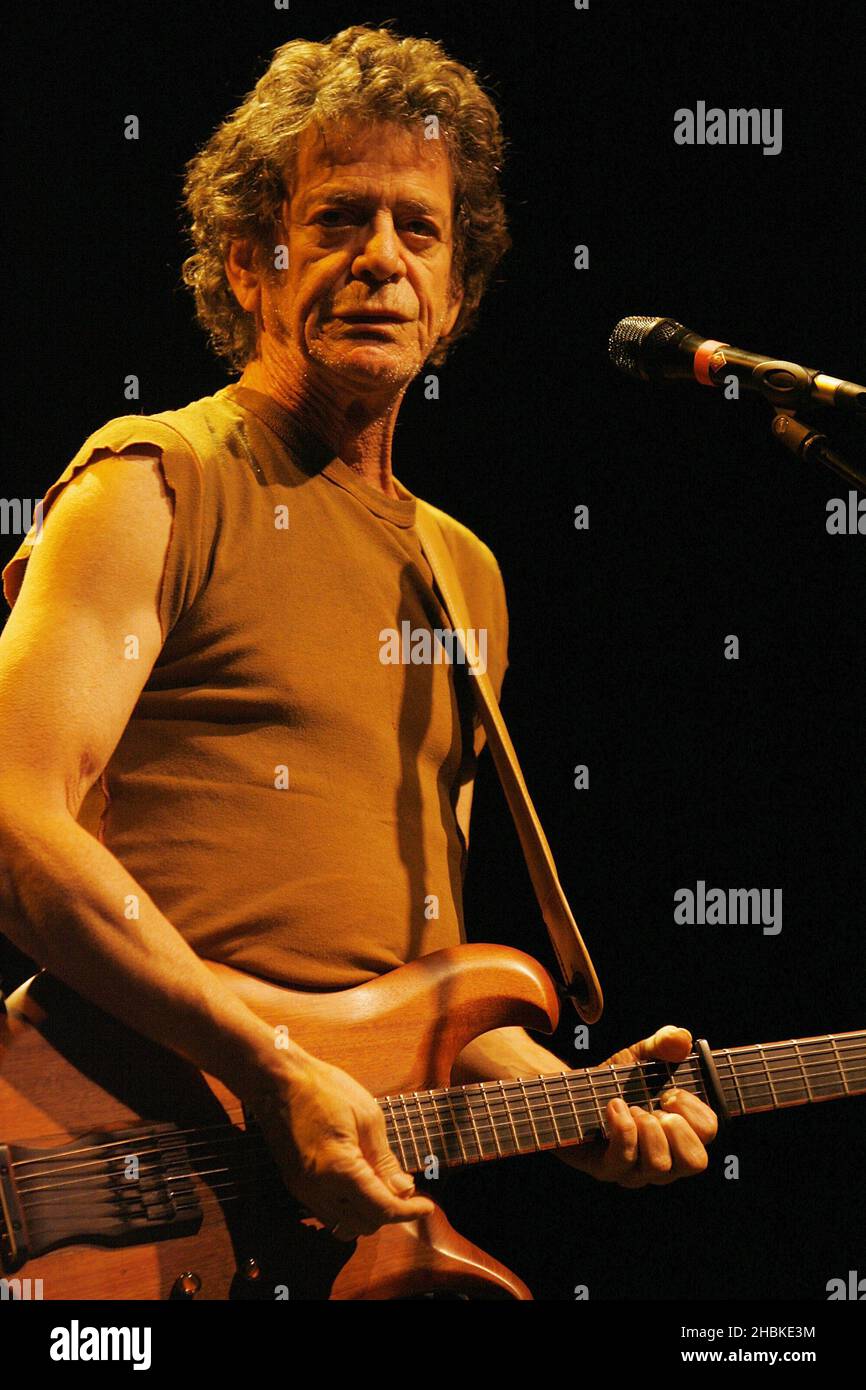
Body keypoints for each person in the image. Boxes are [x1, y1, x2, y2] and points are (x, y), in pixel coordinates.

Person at [0, 24, 716, 1250]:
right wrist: (269, 1068)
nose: (380, 258)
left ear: (456, 297)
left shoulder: (463, 574)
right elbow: (15, 820)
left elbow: (422, 987)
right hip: (104, 1159)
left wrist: (560, 1100)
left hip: (317, 1219)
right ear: (247, 265)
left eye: (418, 231)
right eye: (336, 221)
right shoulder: (153, 482)